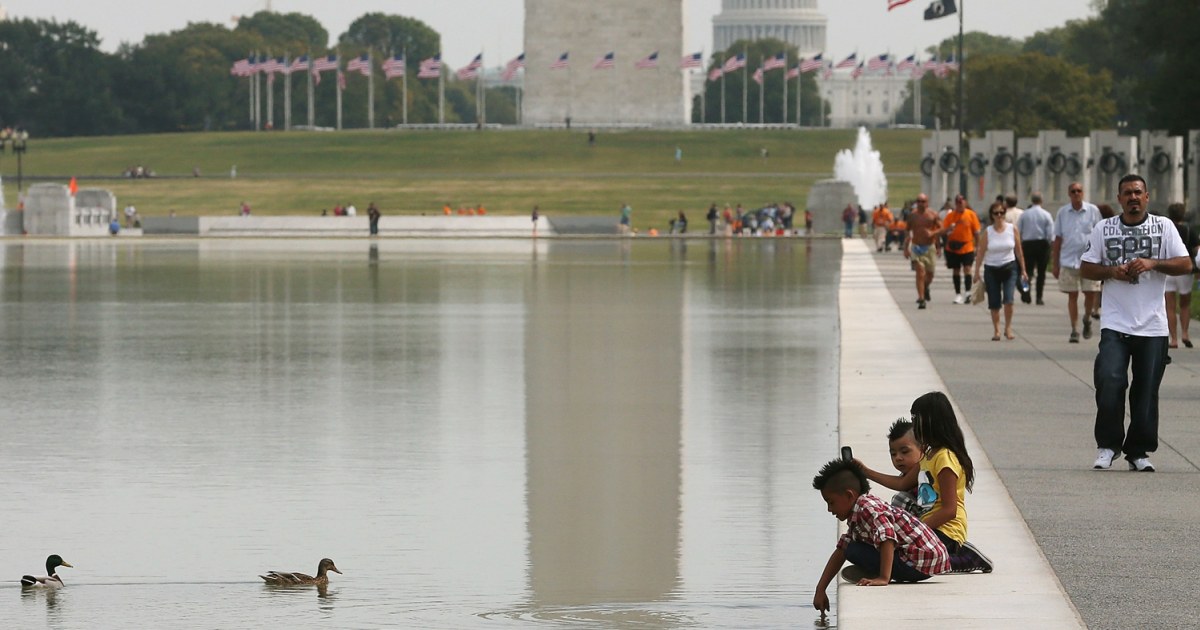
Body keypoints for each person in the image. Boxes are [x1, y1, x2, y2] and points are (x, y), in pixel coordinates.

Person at [1080, 174, 1192, 472]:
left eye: (1137, 192)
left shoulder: (1164, 227)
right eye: (1127, 193)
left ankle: (1138, 451)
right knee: (1110, 379)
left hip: (1153, 325)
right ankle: (1107, 446)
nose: (1133, 197)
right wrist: (1112, 271)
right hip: (1116, 323)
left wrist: (1153, 263)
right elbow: (1087, 268)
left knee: (1146, 390)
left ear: (1147, 196)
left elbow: (1185, 264)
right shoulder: (1104, 228)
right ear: (1119, 198)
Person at [857, 391, 993, 574]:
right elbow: (902, 483)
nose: (914, 424)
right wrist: (865, 472)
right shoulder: (929, 455)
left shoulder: (945, 459)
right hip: (928, 525)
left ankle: (965, 558)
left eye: (916, 418)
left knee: (906, 554)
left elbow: (949, 510)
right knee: (891, 527)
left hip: (946, 531)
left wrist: (917, 530)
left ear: (932, 422)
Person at [811, 458, 948, 615]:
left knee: (853, 550)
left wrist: (883, 578)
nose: (829, 509)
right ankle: (876, 569)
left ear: (849, 495)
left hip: (920, 563)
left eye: (831, 502)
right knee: (850, 546)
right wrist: (820, 589)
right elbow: (840, 549)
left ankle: (879, 572)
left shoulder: (867, 509)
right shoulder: (858, 512)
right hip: (923, 562)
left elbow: (887, 537)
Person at [1053, 182, 1103, 343]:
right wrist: (1055, 263)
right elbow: (1058, 238)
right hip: (1068, 260)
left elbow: (1101, 235)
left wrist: (1103, 259)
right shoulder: (1063, 212)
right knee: (1072, 295)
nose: (1076, 193)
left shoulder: (1092, 211)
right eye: (1073, 191)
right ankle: (1074, 329)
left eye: (1079, 191)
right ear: (1069, 194)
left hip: (1089, 260)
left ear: (1083, 193)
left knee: (1090, 293)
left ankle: (1087, 317)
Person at [973, 202, 1029, 341]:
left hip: (1009, 267)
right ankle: (997, 329)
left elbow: (1018, 250)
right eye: (996, 213)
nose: (999, 216)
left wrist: (1023, 269)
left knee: (1009, 300)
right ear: (992, 216)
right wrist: (976, 271)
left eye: (1001, 213)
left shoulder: (1012, 229)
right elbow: (981, 252)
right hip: (991, 268)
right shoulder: (988, 232)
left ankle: (1008, 328)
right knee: (994, 301)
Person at [1164, 203, 1199, 348]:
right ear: (1183, 214)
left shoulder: (1165, 230)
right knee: (1185, 304)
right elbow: (1197, 250)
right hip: (1185, 270)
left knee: (1170, 306)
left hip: (1167, 269)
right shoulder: (1189, 230)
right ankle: (1185, 333)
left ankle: (1173, 339)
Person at [903, 194, 942, 310]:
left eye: (923, 201)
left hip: (929, 247)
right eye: (919, 201)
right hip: (916, 247)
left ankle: (925, 287)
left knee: (930, 275)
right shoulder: (912, 216)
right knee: (920, 271)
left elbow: (942, 228)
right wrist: (906, 248)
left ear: (927, 202)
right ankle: (921, 298)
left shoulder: (933, 215)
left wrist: (933, 234)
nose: (920, 203)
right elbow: (907, 231)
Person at [943, 195, 982, 304]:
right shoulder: (950, 216)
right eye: (958, 203)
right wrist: (949, 229)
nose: (960, 205)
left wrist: (978, 247)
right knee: (956, 270)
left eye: (961, 202)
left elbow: (977, 232)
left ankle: (968, 292)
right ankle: (958, 294)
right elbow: (943, 230)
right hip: (953, 247)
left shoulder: (971, 215)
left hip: (967, 246)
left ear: (965, 203)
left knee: (967, 268)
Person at [1017, 192, 1054, 305]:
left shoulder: (1024, 214)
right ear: (1041, 201)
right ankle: (1039, 297)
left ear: (1031, 201)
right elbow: (1050, 233)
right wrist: (1049, 246)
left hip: (1027, 244)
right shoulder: (1046, 214)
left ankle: (1025, 292)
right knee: (1041, 272)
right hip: (1042, 244)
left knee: (1027, 272)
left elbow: (1019, 231)